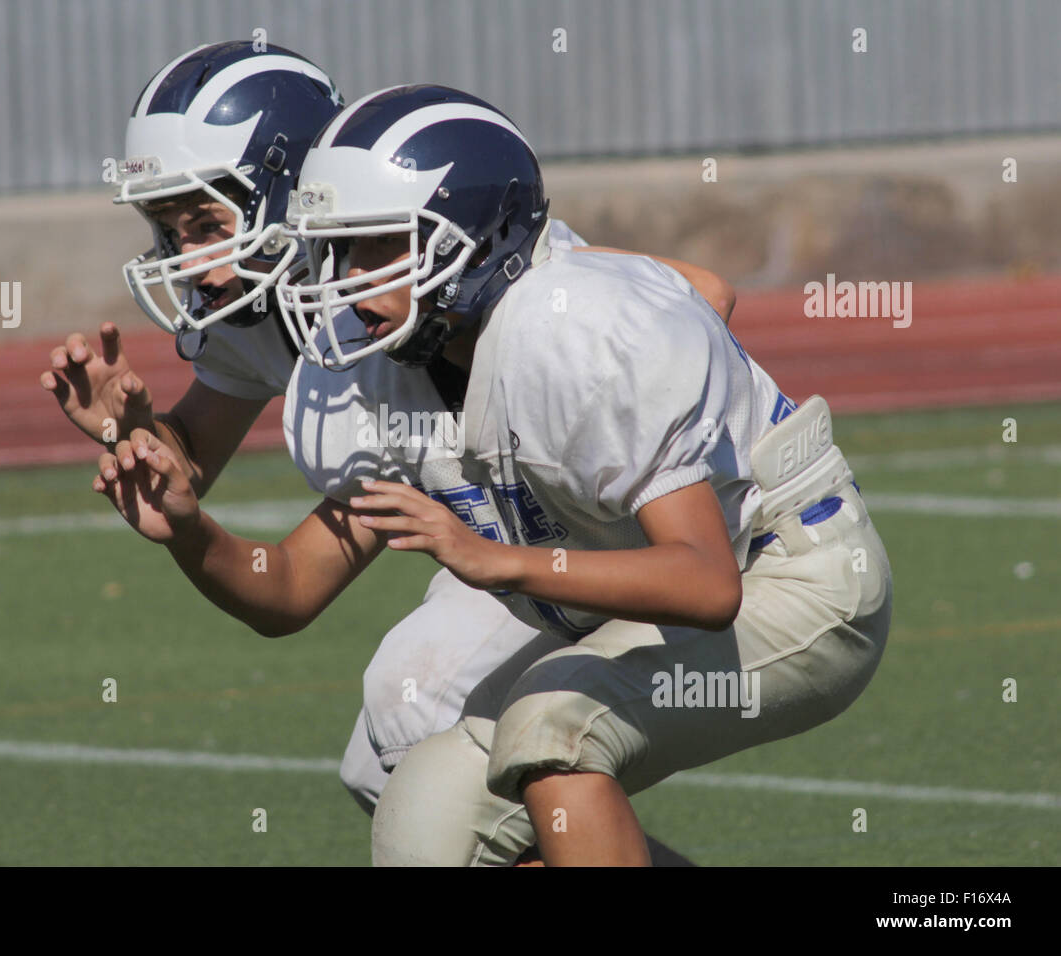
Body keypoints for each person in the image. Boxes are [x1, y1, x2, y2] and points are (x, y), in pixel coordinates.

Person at [66, 61, 741, 860]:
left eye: (206, 223)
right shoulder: (257, 312)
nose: (186, 256)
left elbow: (702, 294)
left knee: (415, 717)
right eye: (166, 229)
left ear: (283, 192)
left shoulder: (459, 268)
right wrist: (132, 433)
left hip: (576, 512)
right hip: (476, 503)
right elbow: (197, 475)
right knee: (385, 764)